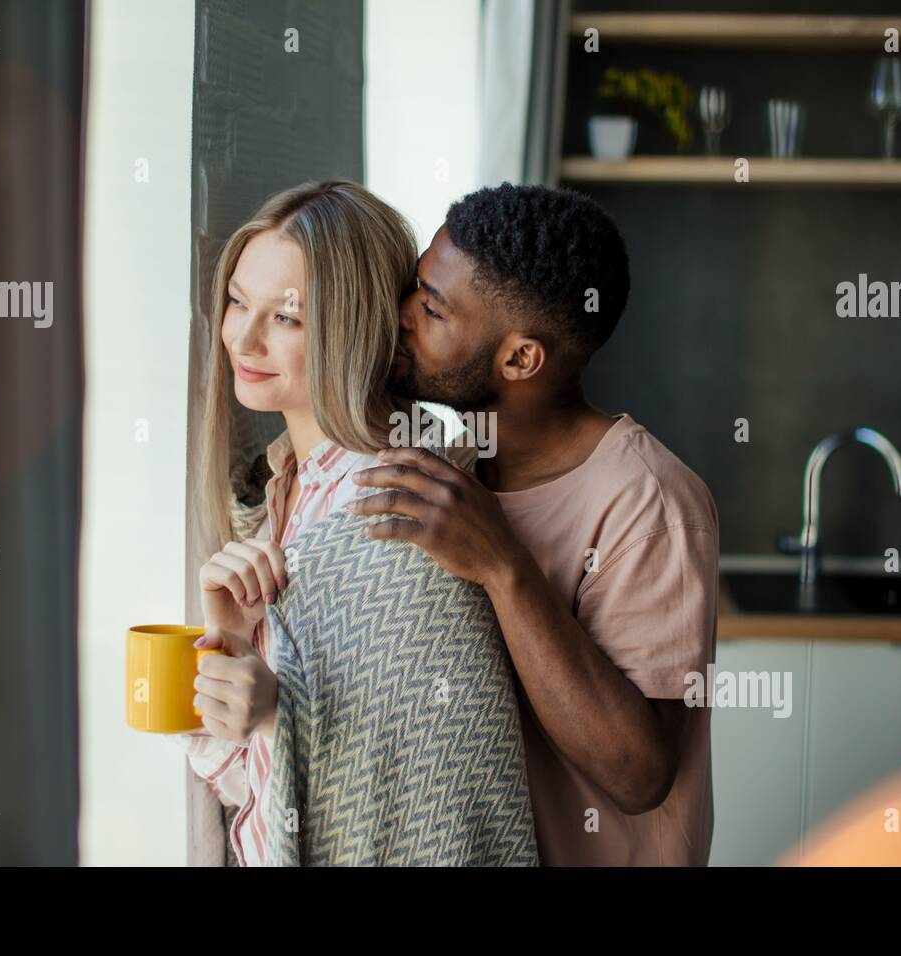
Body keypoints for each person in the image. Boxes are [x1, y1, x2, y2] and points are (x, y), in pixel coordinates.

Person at [351, 182, 720, 866]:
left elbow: (640, 777)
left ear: (521, 359)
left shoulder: (650, 502)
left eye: (431, 309)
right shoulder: (453, 464)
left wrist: (503, 566)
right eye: (415, 290)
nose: (400, 315)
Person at [175, 179, 536, 866]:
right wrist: (229, 654)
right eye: (237, 301)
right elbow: (245, 790)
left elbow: (420, 791)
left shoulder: (408, 507)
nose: (243, 338)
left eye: (287, 318)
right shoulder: (280, 483)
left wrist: (278, 713)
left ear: (354, 325)